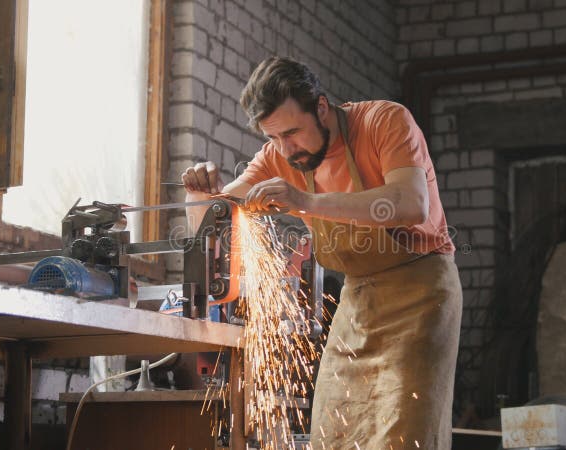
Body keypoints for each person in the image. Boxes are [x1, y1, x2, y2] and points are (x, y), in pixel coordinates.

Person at [181, 56, 462, 449]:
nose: (286, 149)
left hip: (421, 292)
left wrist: (304, 200)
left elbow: (411, 203)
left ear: (322, 107)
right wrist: (198, 197)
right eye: (274, 137)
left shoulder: (384, 121)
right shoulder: (277, 155)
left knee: (404, 432)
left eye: (293, 132)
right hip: (358, 299)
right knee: (334, 432)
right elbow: (217, 220)